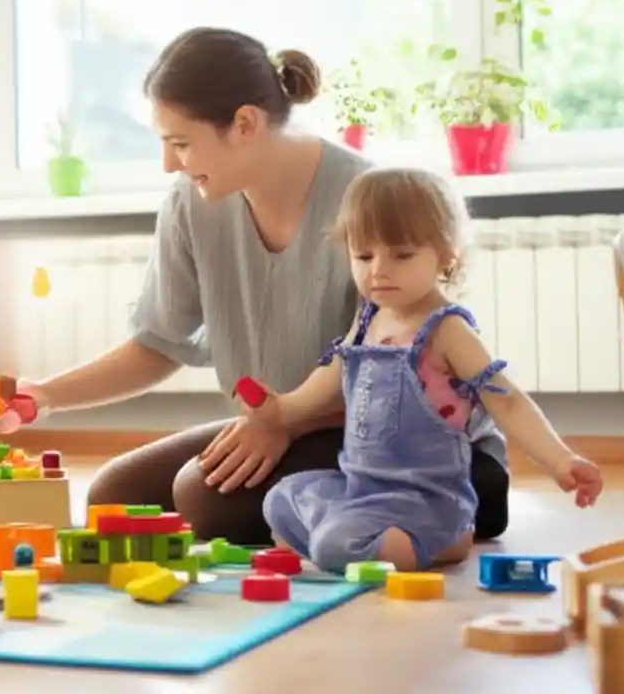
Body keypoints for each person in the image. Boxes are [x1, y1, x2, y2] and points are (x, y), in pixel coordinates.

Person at [0, 26, 512, 545]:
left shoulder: (366, 198)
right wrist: (46, 395)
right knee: (115, 497)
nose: (169, 163)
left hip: (410, 441)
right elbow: (157, 343)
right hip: (288, 425)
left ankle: (443, 511)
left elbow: (412, 376)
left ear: (244, 124)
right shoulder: (190, 203)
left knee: (201, 499)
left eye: (181, 144)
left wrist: (289, 424)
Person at [256, 167, 602, 573]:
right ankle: (354, 539)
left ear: (446, 254)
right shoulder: (369, 318)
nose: (378, 270)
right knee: (280, 499)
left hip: (427, 499)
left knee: (338, 543)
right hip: (363, 490)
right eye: (364, 256)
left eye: (401, 255)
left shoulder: (447, 329)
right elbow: (331, 376)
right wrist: (278, 410)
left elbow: (507, 403)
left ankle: (444, 538)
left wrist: (560, 461)